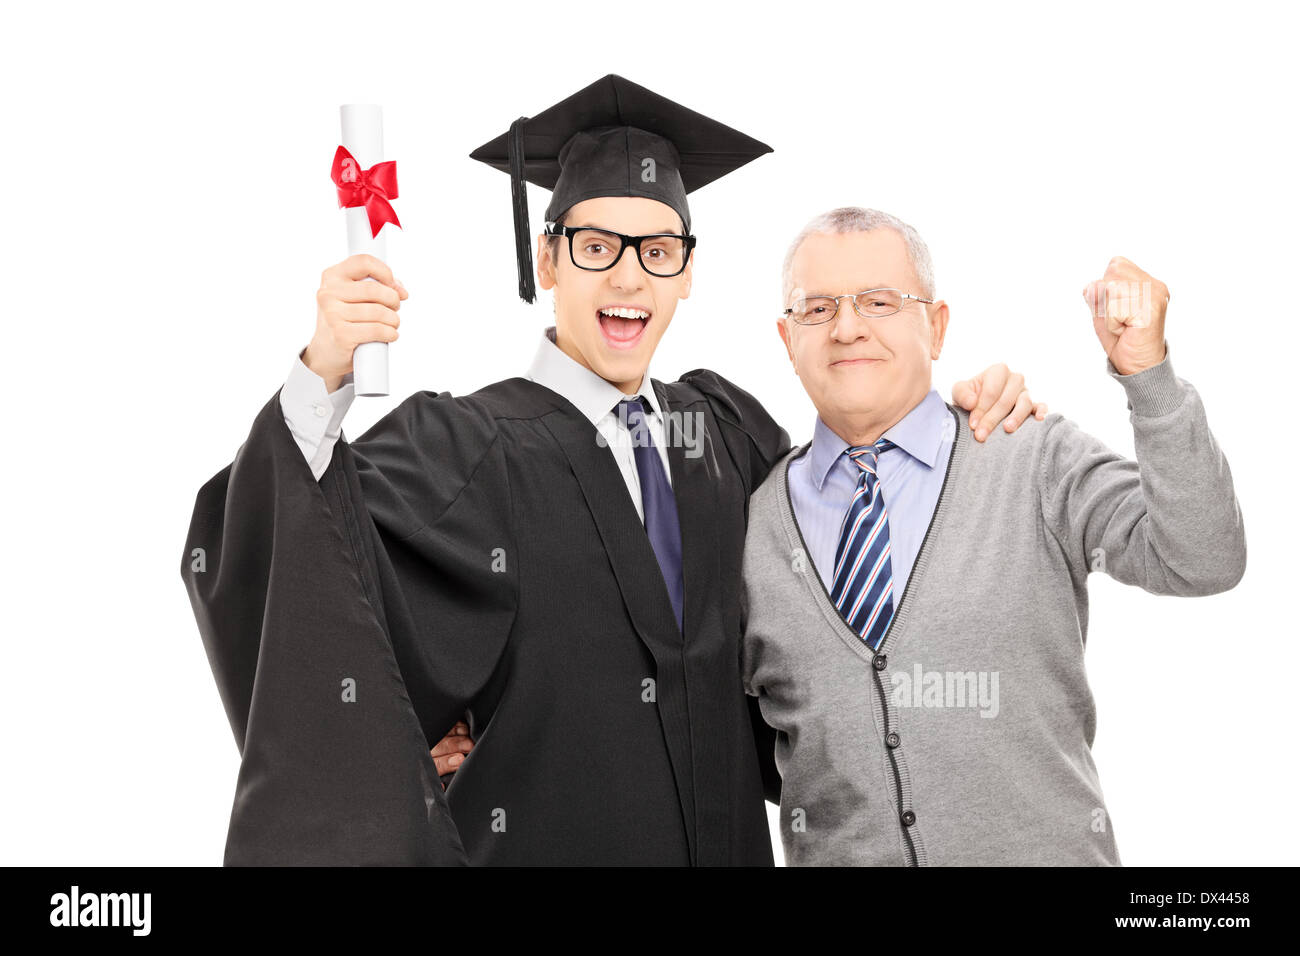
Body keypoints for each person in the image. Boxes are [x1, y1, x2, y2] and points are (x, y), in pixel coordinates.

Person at [181, 77, 1040, 866]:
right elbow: (301, 556)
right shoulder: (469, 443)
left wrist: (956, 413)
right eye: (596, 245)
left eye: (658, 249)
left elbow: (853, 540)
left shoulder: (725, 433)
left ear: (688, 272)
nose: (630, 274)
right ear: (547, 261)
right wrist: (325, 367)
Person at [740, 207, 1247, 865]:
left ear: (937, 325)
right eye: (816, 309)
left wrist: (1148, 375)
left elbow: (1204, 557)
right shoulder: (748, 530)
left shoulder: (1028, 456)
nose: (847, 327)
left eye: (879, 300)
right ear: (786, 339)